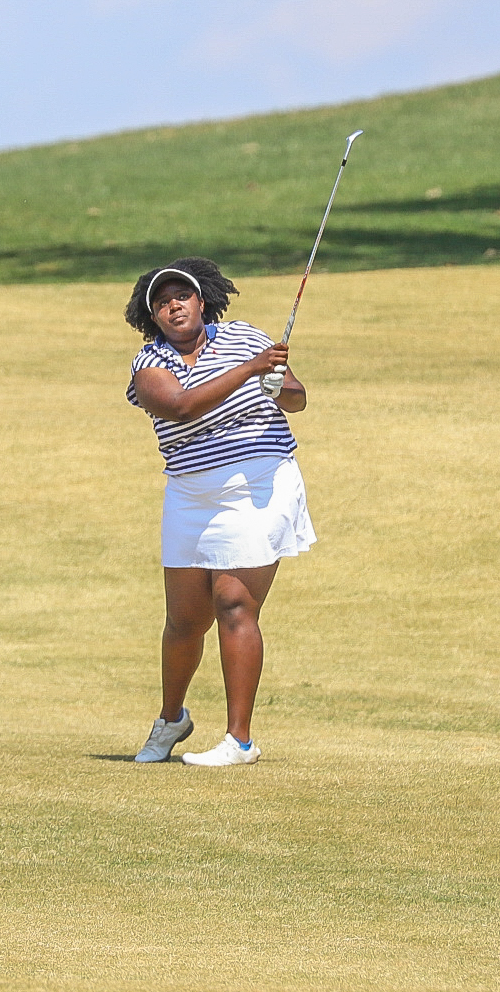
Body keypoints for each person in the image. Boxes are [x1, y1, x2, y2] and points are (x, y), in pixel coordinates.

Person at [123, 257, 315, 767]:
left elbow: (296, 398)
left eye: (180, 296)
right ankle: (171, 720)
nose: (172, 306)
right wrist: (251, 371)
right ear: (153, 318)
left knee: (233, 603)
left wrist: (280, 386)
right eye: (161, 303)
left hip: (259, 481)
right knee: (185, 622)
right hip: (190, 493)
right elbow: (181, 407)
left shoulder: (245, 338)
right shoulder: (149, 364)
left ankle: (240, 741)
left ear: (201, 300)